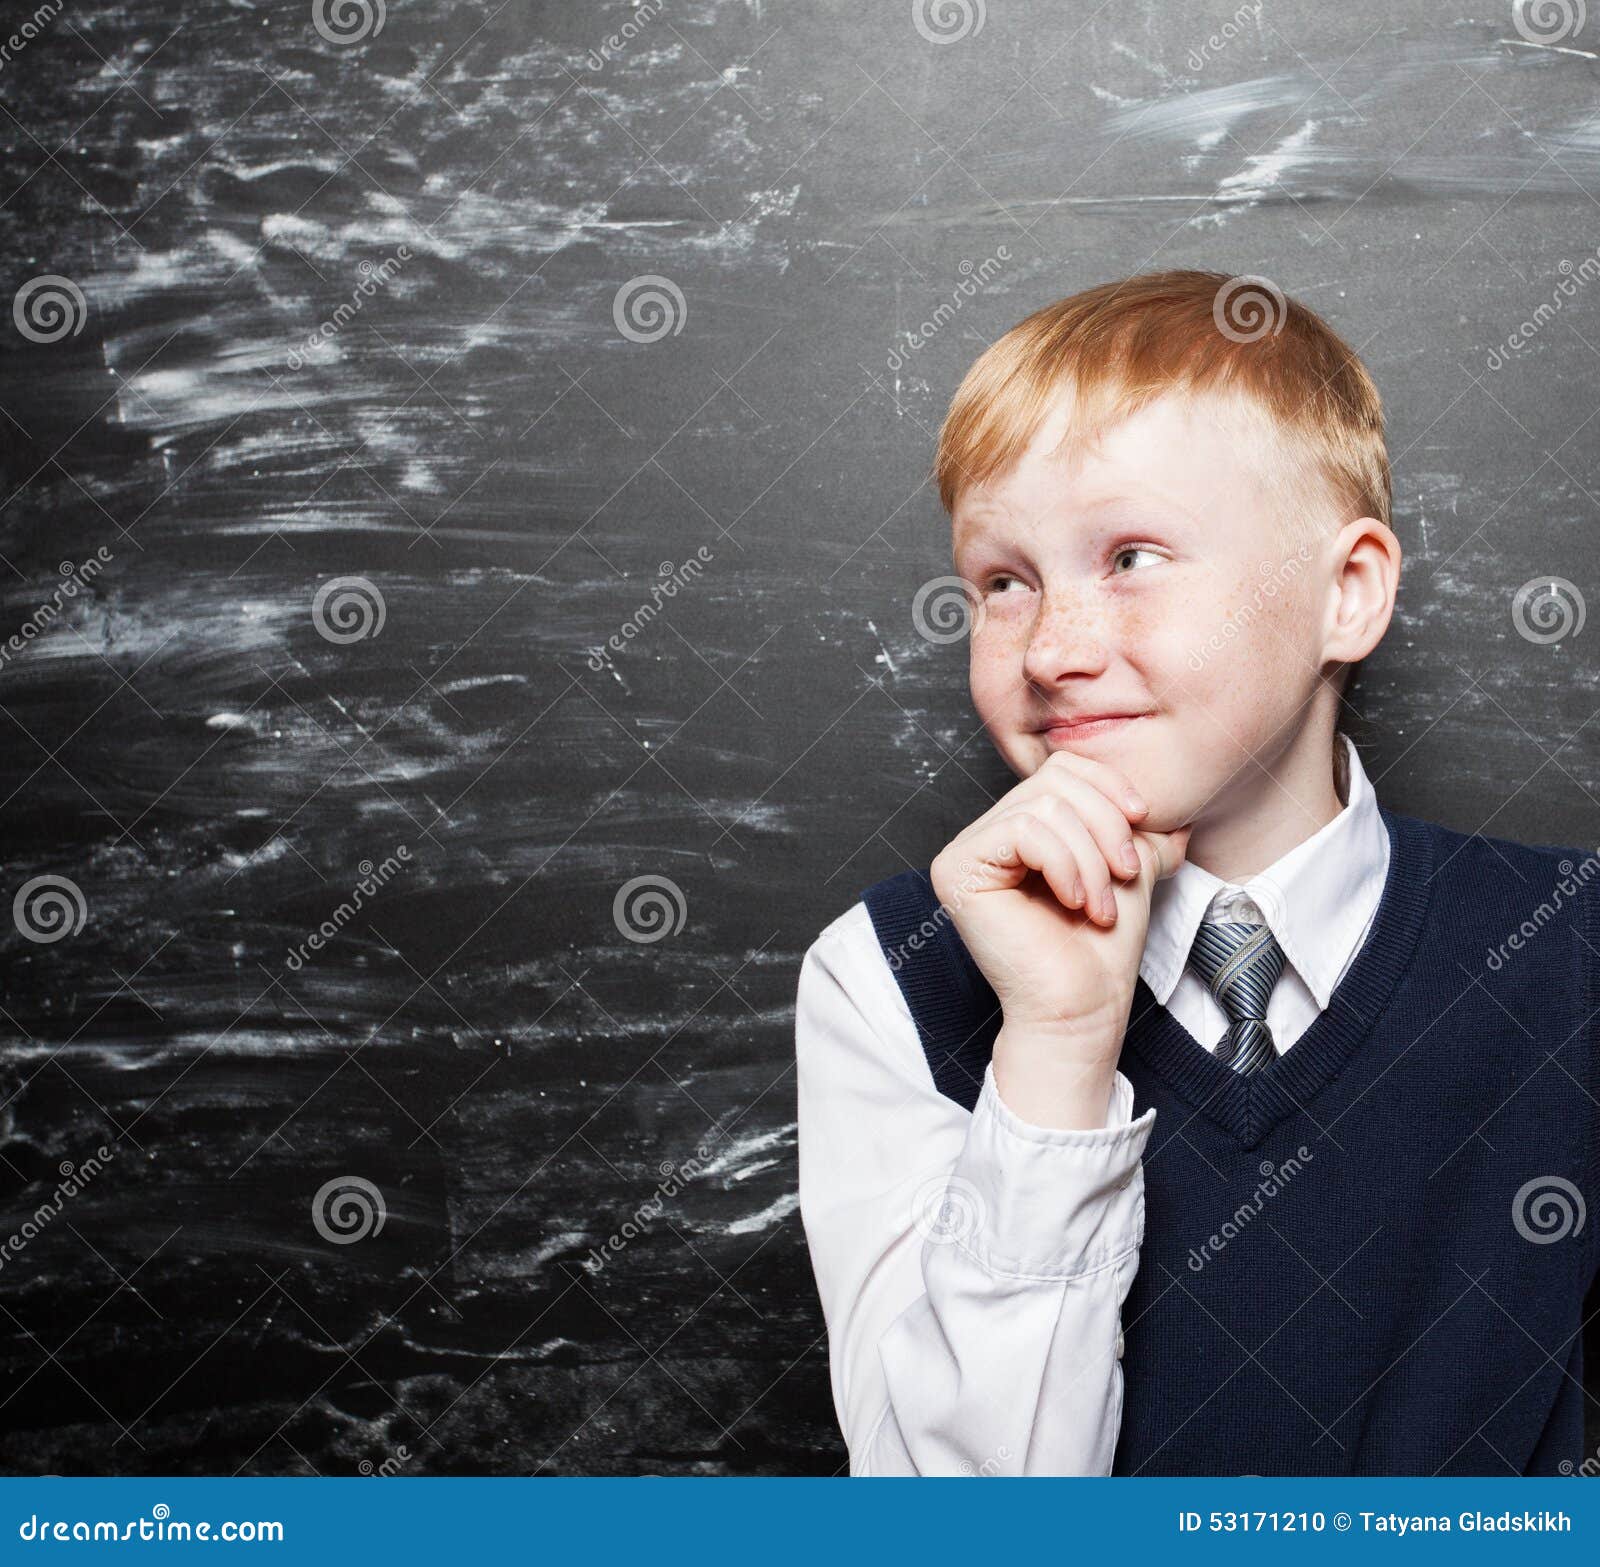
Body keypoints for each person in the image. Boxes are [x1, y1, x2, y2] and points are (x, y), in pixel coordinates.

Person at [795, 270, 1600, 1476]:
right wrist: (1058, 1055)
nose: (1054, 651)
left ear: (1346, 593)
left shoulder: (1571, 951)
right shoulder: (885, 980)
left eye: (1129, 555)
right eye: (1003, 582)